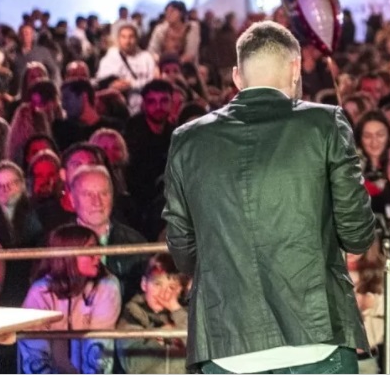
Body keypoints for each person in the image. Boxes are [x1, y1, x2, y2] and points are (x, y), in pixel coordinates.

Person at [163, 21, 375, 374]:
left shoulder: (188, 140)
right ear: (295, 69)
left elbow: (183, 253)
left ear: (236, 76)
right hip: (317, 340)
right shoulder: (324, 124)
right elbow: (357, 234)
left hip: (226, 342)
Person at [18, 224, 122, 374]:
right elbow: (35, 355)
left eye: (98, 249)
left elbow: (99, 349)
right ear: (68, 256)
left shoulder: (106, 286)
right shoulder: (41, 292)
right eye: (90, 251)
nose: (98, 256)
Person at [67, 163, 147, 303]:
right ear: (72, 200)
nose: (97, 202)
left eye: (103, 193)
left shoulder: (136, 242)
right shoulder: (55, 244)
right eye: (88, 194)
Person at [116, 254, 188, 374]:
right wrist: (162, 334)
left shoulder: (183, 313)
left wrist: (176, 309)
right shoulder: (132, 313)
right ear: (144, 284)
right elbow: (133, 364)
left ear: (180, 291)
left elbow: (201, 348)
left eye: (171, 287)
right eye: (157, 284)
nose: (163, 293)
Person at [124, 79, 175, 237]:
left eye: (164, 101)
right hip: (138, 206)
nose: (158, 107)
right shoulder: (132, 134)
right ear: (144, 105)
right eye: (152, 102)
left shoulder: (175, 133)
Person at [96, 22, 159, 110]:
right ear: (118, 38)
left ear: (137, 38)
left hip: (145, 106)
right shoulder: (111, 57)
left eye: (131, 37)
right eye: (123, 37)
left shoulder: (146, 57)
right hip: (119, 108)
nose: (127, 41)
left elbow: (153, 81)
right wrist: (113, 84)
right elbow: (101, 81)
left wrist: (131, 84)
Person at [148, 0, 201, 65]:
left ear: (181, 13)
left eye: (172, 11)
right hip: (163, 65)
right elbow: (152, 50)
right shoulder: (160, 29)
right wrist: (160, 61)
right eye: (167, 11)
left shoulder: (191, 28)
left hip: (185, 67)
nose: (168, 14)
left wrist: (177, 63)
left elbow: (191, 53)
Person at [13, 23, 61, 93]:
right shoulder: (14, 53)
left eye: (27, 34)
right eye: (22, 34)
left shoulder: (42, 52)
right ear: (19, 36)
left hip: (38, 92)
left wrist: (53, 88)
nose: (24, 36)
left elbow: (54, 71)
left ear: (32, 35)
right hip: (19, 93)